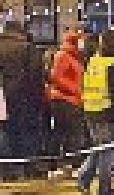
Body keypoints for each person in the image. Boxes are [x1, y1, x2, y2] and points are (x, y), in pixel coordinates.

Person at [78, 30, 114, 195]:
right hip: (107, 112)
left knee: (99, 147)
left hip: (90, 109)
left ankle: (84, 177)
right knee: (107, 152)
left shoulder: (93, 61)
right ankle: (104, 190)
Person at [0, 22, 43, 180]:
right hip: (24, 98)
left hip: (2, 97)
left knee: (4, 132)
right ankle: (25, 168)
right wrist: (39, 100)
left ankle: (5, 169)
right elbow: (36, 76)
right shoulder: (28, 48)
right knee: (25, 132)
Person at [47, 32, 87, 172]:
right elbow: (56, 77)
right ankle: (60, 165)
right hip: (64, 100)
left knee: (69, 133)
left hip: (70, 99)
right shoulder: (63, 55)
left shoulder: (73, 56)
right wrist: (76, 90)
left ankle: (68, 163)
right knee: (66, 132)